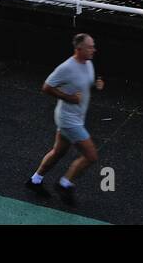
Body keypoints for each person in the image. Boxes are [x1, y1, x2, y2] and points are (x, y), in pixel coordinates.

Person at [26, 33, 104, 207]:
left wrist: (96, 86)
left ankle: (35, 180)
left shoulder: (89, 63)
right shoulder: (66, 68)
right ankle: (64, 184)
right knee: (91, 156)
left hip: (77, 117)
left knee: (58, 152)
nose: (94, 49)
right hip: (69, 120)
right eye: (90, 47)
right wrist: (68, 98)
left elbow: (84, 84)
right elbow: (46, 87)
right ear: (79, 49)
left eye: (93, 46)